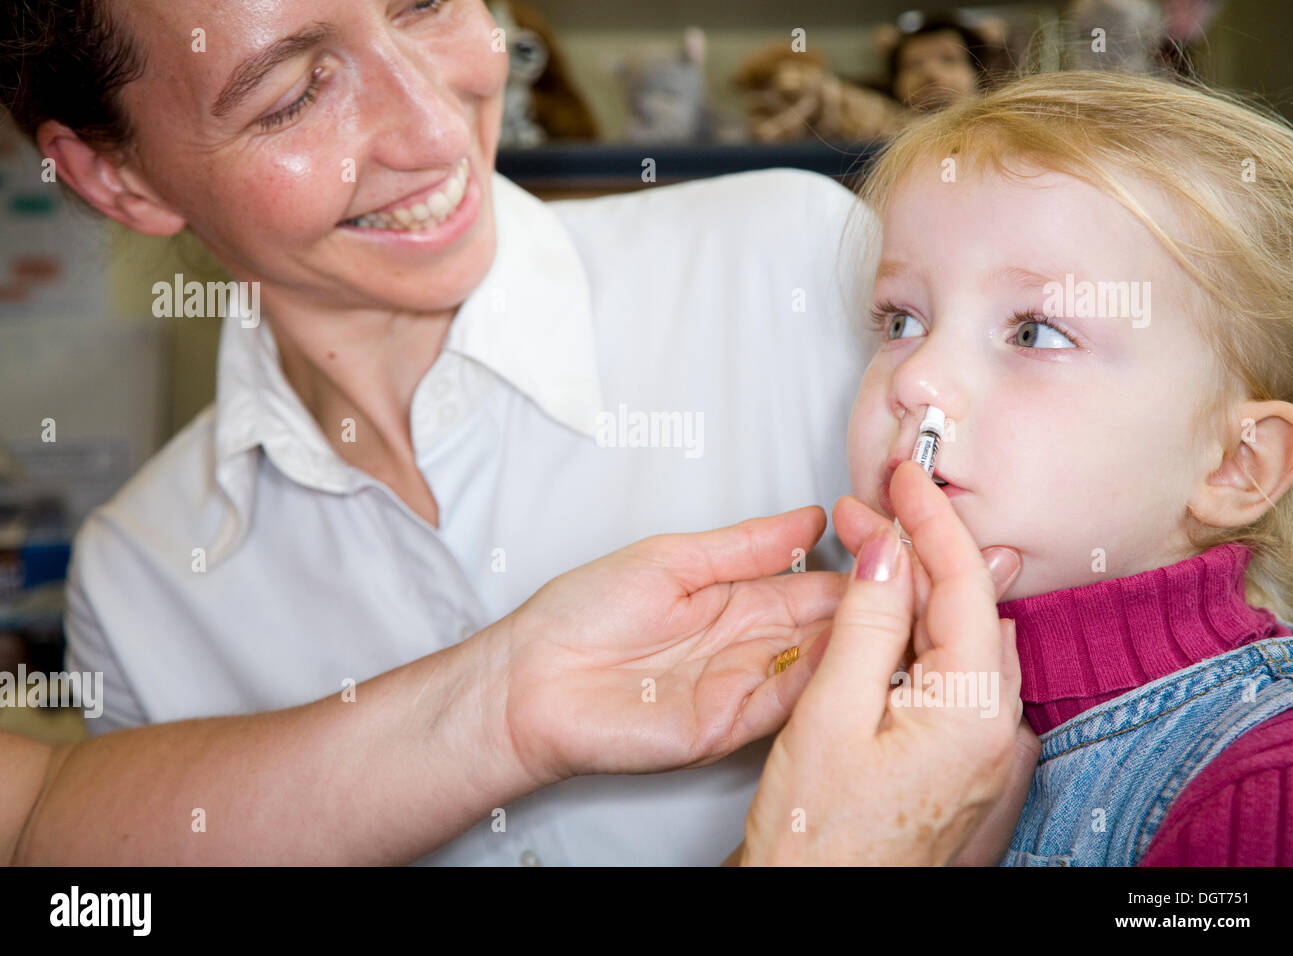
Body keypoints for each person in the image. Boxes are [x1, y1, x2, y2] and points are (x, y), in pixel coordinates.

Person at [0, 0, 1028, 865]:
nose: (433, 126)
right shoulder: (141, 584)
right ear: (114, 179)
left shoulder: (813, 271)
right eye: (292, 96)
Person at [6, 486, 1034, 865]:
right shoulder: (141, 556)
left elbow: (40, 814)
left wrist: (504, 705)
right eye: (287, 97)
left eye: (429, 2)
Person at [848, 68, 1293, 864]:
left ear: (1236, 464)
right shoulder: (864, 697)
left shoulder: (1266, 791)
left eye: (1035, 332)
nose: (916, 381)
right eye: (902, 319)